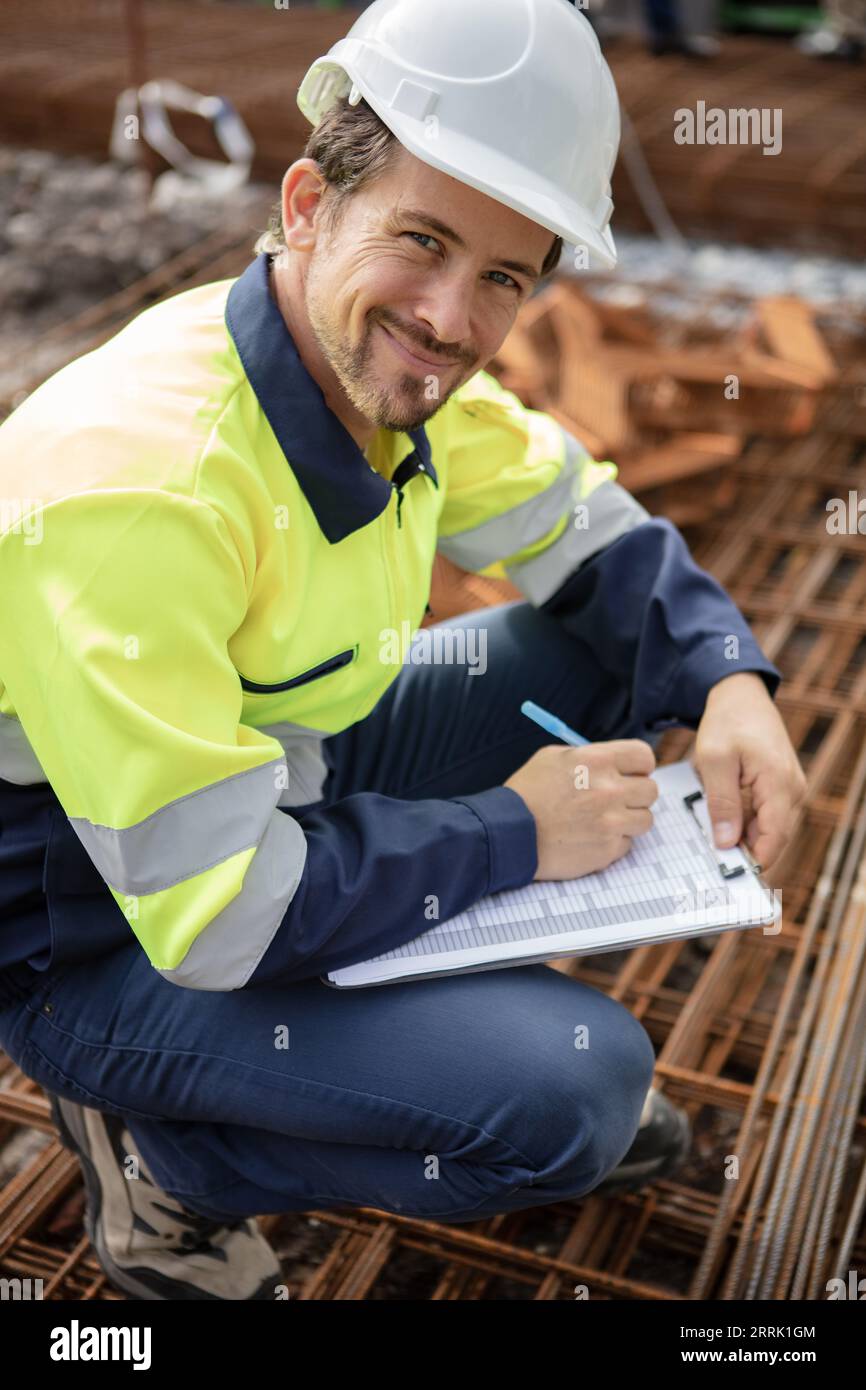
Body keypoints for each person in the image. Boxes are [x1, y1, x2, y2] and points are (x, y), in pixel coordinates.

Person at [0, 0, 804, 1300]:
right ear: (309, 202)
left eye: (503, 274)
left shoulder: (377, 373)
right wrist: (513, 831)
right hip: (106, 934)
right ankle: (179, 1160)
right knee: (575, 1092)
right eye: (421, 242)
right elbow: (217, 914)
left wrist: (726, 678)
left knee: (611, 650)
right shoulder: (135, 492)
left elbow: (587, 524)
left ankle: (406, 1033)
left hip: (284, 774)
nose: (449, 317)